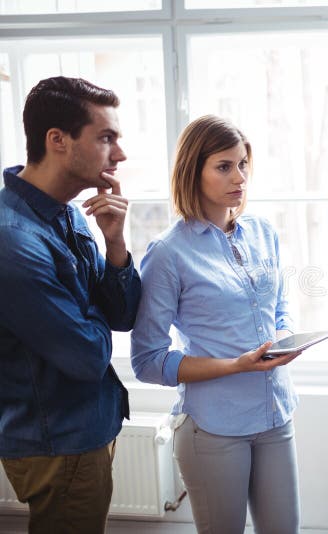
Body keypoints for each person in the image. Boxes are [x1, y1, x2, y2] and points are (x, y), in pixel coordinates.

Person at [130, 115, 301, 534]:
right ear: (194, 170)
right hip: (213, 428)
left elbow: (280, 306)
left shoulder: (263, 232)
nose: (239, 176)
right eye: (224, 166)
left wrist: (285, 338)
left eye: (243, 164)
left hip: (276, 414)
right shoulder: (168, 253)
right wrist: (236, 365)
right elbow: (148, 360)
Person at [0, 76, 140, 533]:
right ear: (57, 141)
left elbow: (122, 315)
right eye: (106, 138)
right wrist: (92, 310)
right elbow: (88, 355)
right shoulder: (13, 241)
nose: (119, 154)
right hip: (57, 442)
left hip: (85, 429)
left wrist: (115, 245)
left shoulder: (67, 213)